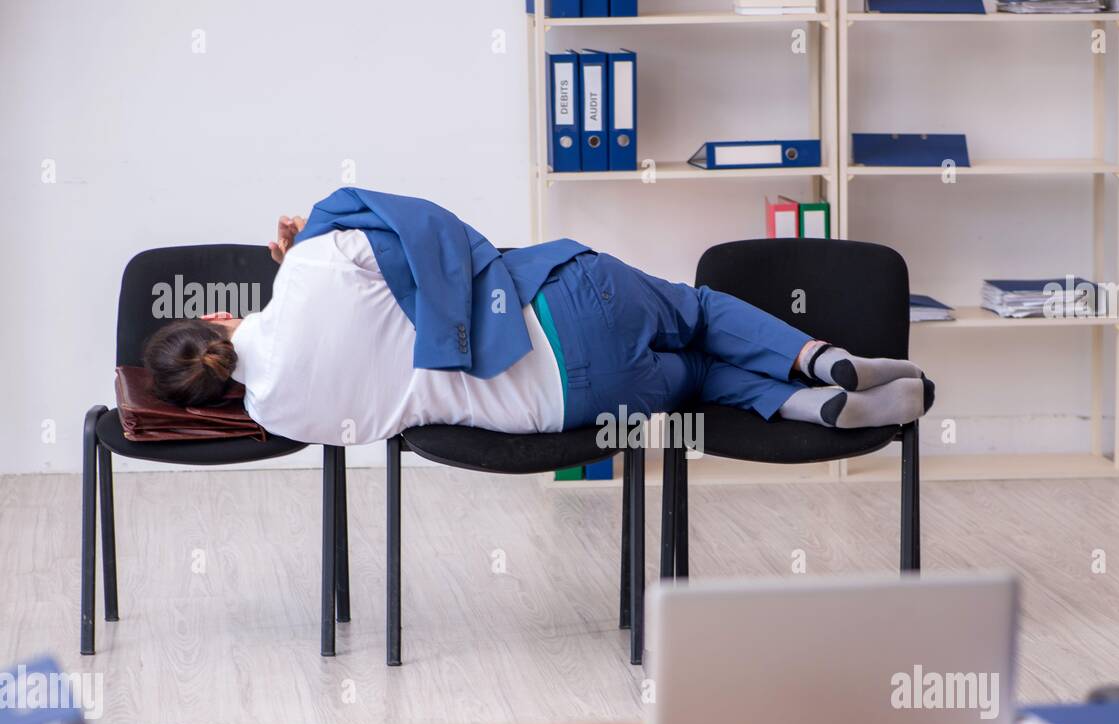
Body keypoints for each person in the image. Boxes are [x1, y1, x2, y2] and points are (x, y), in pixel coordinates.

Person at [142, 189, 933, 446]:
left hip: (564, 408)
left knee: (695, 378)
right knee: (694, 309)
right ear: (218, 314)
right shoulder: (316, 266)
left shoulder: (281, 415)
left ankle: (814, 407)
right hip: (564, 303)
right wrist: (305, 243)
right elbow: (419, 231)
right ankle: (819, 359)